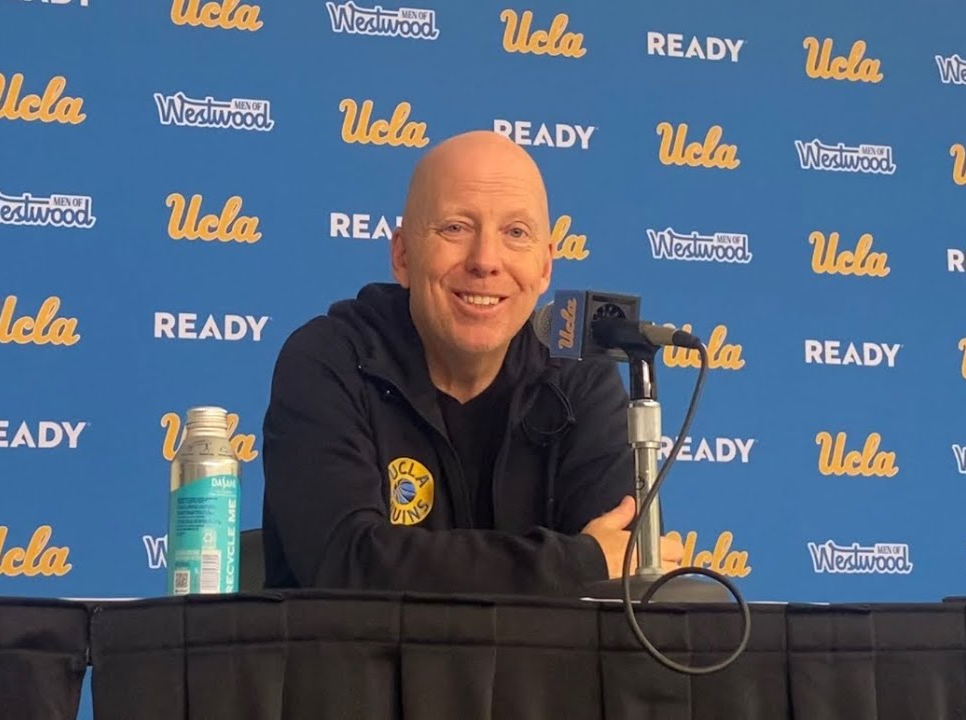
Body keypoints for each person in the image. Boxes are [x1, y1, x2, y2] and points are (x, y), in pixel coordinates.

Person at [260, 130, 683, 597]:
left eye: (515, 233)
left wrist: (586, 566)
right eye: (455, 228)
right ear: (402, 255)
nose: (485, 261)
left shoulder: (580, 376)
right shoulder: (328, 360)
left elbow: (627, 572)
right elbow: (347, 565)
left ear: (545, 267)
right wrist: (577, 562)